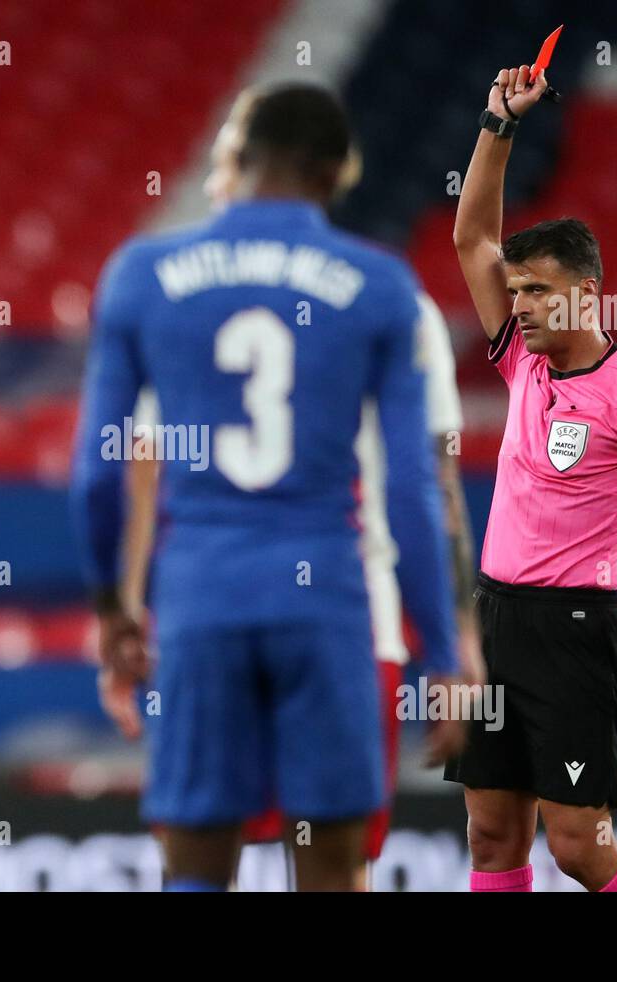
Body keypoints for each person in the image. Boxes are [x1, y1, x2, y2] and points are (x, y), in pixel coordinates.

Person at [72, 82, 462, 892]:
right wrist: (448, 652)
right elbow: (415, 489)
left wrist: (114, 608)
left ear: (236, 160)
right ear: (336, 174)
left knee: (196, 869)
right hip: (328, 602)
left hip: (201, 597)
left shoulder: (143, 274)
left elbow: (99, 472)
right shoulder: (380, 286)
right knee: (331, 870)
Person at [448, 64, 617, 892]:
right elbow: (472, 240)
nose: (520, 304)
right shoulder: (521, 368)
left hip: (573, 634)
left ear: (588, 295)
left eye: (538, 291)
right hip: (494, 621)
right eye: (517, 290)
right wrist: (499, 123)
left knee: (578, 845)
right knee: (493, 836)